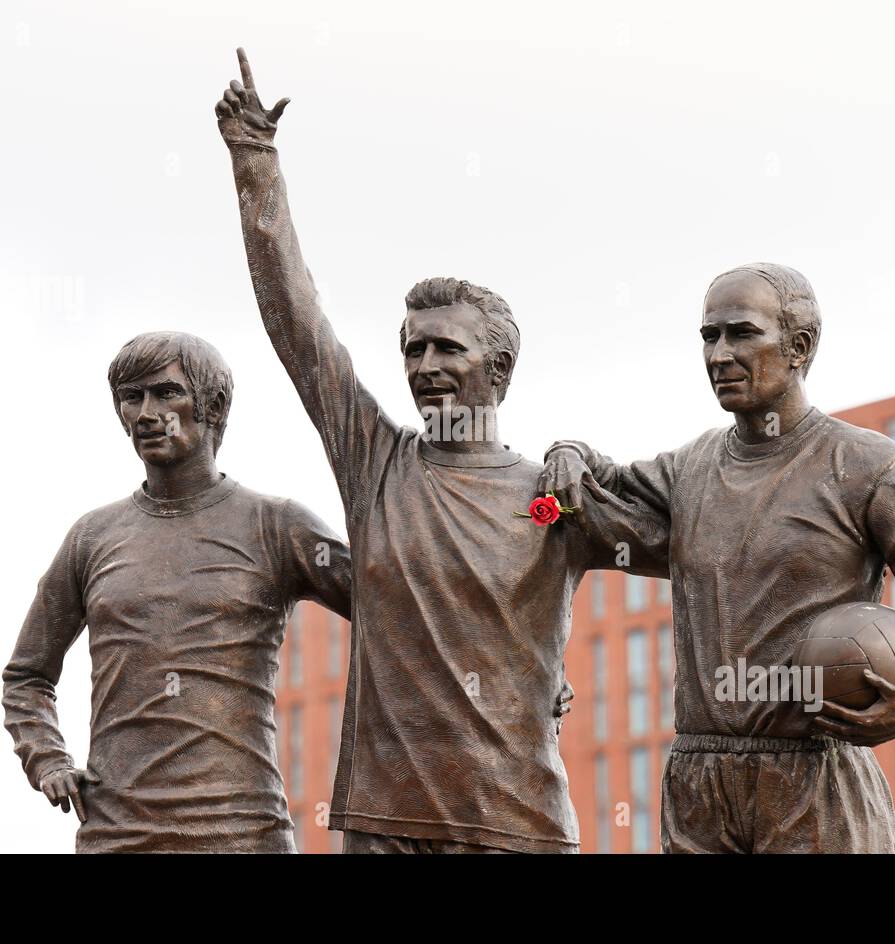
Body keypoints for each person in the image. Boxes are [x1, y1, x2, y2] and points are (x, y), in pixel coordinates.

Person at [217, 49, 666, 854]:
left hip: (515, 825)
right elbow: (297, 322)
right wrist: (256, 164)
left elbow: (687, 541)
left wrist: (590, 462)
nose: (424, 368)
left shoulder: (549, 497)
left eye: (445, 350)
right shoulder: (378, 465)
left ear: (498, 367)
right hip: (385, 824)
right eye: (413, 350)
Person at [538, 263, 895, 853]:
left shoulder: (864, 464)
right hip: (700, 781)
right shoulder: (690, 468)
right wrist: (565, 450)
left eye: (741, 333)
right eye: (709, 336)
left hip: (815, 775)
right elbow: (601, 486)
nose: (719, 354)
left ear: (799, 347)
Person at [3, 331, 351, 852]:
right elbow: (27, 676)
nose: (146, 413)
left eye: (166, 393)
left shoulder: (276, 526)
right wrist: (46, 756)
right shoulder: (92, 537)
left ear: (211, 406)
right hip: (117, 834)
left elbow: (398, 614)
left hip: (242, 832)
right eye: (132, 396)